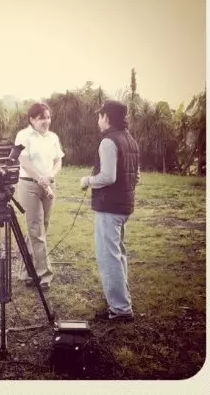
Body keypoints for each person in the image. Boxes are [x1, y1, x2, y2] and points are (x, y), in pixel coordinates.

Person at [80, 100, 140, 322]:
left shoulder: (108, 141)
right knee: (118, 254)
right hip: (124, 207)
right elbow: (137, 177)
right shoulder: (131, 141)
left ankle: (120, 309)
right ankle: (121, 302)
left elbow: (108, 177)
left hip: (110, 208)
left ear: (106, 117)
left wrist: (87, 180)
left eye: (99, 116)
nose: (98, 120)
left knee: (109, 257)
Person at [15, 102, 64, 289]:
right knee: (36, 230)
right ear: (32, 119)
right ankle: (44, 276)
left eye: (48, 117)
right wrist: (41, 180)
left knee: (41, 228)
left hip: (49, 184)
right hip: (29, 186)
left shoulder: (53, 137)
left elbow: (58, 161)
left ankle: (27, 272)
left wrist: (50, 177)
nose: (46, 121)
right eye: (42, 117)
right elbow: (25, 162)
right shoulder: (23, 135)